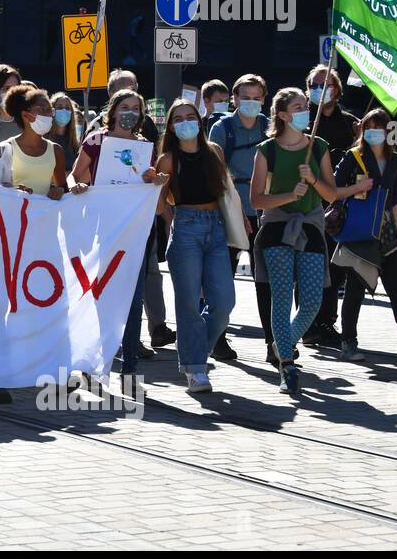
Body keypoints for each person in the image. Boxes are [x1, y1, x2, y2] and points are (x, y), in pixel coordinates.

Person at [249, 88, 367, 394]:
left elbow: (330, 195)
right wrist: (290, 194)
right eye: (299, 107)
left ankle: (281, 342)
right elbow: (257, 199)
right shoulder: (267, 150)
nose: (306, 111)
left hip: (311, 227)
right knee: (282, 297)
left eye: (306, 106)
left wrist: (313, 179)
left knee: (313, 300)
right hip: (276, 228)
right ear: (283, 115)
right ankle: (286, 364)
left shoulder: (319, 147)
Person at [333, 110, 397, 363]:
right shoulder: (353, 156)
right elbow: (332, 191)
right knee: (355, 289)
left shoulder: (395, 159)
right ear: (362, 130)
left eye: (379, 128)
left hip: (387, 233)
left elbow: (395, 199)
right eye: (369, 127)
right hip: (360, 232)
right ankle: (348, 343)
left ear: (389, 131)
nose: (373, 132)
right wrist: (357, 187)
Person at [74, 89, 164, 370]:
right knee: (103, 292)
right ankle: (104, 346)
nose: (130, 113)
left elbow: (144, 182)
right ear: (112, 111)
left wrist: (153, 179)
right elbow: (77, 176)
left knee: (134, 295)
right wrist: (85, 187)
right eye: (125, 107)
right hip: (104, 228)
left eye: (136, 109)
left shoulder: (142, 145)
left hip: (134, 229)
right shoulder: (95, 141)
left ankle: (130, 360)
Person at [155, 101, 238, 393]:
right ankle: (195, 370)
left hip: (215, 227)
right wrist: (156, 184)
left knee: (224, 302)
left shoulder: (214, 150)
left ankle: (194, 351)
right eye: (178, 119)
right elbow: (158, 205)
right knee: (189, 304)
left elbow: (226, 191)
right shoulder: (167, 159)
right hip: (186, 227)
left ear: (199, 121)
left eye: (190, 117)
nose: (185, 122)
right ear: (171, 126)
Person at [207, 73, 270, 361]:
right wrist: (234, 212)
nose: (251, 103)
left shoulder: (269, 127)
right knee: (224, 279)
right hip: (231, 212)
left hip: (264, 210)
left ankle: (274, 342)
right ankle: (218, 339)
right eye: (245, 97)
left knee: (267, 280)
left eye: (256, 98)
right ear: (234, 99)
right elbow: (216, 174)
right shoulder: (222, 129)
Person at [304, 64, 360, 348]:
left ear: (337, 90)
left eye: (326, 84)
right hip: (307, 203)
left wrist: (360, 139)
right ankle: (308, 324)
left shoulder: (350, 123)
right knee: (309, 265)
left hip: (339, 207)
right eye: (315, 84)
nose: (320, 89)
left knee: (334, 268)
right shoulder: (302, 121)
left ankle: (327, 322)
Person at [2, 85, 75, 198]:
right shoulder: (6, 148)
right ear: (25, 115)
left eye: (50, 110)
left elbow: (64, 190)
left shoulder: (56, 150)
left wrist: (59, 191)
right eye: (42, 109)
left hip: (46, 215)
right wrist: (12, 192)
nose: (48, 114)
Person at [47, 92, 81, 168]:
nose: (64, 110)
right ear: (52, 111)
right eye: (59, 107)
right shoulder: (44, 140)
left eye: (67, 108)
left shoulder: (75, 143)